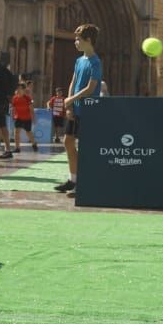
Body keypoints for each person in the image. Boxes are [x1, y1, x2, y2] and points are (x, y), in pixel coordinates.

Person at [53, 23, 101, 195]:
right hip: (75, 109)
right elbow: (73, 82)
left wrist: (71, 99)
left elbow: (90, 88)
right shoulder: (79, 60)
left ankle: (85, 182)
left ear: (88, 40)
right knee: (68, 142)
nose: (75, 42)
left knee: (85, 147)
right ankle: (73, 180)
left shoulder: (96, 62)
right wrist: (70, 105)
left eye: (78, 39)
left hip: (89, 111)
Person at [12, 80, 36, 153]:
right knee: (16, 132)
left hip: (27, 118)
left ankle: (34, 144)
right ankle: (17, 148)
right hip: (18, 117)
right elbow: (13, 108)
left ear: (24, 90)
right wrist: (13, 116)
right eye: (17, 89)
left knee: (28, 132)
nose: (18, 90)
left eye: (20, 89)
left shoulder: (27, 98)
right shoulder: (14, 98)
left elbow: (31, 109)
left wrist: (33, 118)